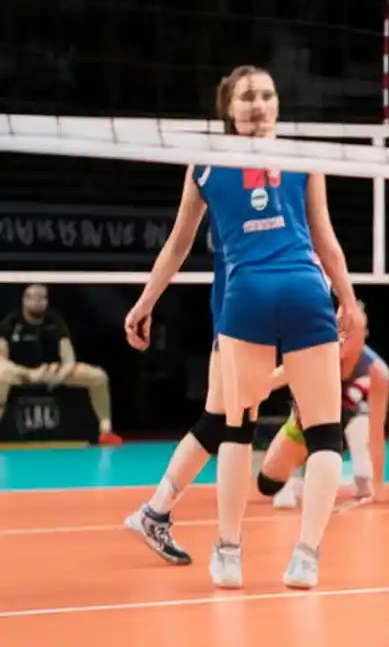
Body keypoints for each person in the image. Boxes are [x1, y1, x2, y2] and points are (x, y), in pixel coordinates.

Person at [124, 64, 359, 591]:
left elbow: (181, 245)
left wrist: (348, 298)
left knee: (232, 423)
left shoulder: (215, 164)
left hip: (252, 297)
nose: (258, 104)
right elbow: (324, 240)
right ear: (227, 109)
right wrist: (346, 297)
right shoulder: (263, 160)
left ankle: (225, 549)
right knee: (316, 430)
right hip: (282, 292)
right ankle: (303, 557)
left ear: (278, 104)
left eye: (267, 95)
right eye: (248, 96)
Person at [123, 219, 286, 566]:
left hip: (246, 298)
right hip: (243, 300)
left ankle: (156, 512)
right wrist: (145, 303)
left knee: (217, 420)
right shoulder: (219, 175)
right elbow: (178, 243)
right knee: (237, 422)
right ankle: (228, 549)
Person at [257, 342, 389, 509]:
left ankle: (362, 478)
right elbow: (287, 373)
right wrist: (256, 387)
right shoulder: (319, 353)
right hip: (310, 417)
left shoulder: (377, 373)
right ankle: (295, 482)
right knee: (268, 484)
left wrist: (378, 484)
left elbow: (376, 432)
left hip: (346, 418)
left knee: (361, 424)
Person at [0, 284, 119, 444]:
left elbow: (68, 357)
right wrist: (27, 373)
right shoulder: (11, 323)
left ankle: (106, 431)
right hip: (20, 373)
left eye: (41, 298)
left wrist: (59, 375)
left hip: (52, 371)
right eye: (32, 297)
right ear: (24, 300)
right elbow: (2, 358)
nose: (37, 301)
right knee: (1, 373)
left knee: (98, 376)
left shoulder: (55, 321)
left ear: (46, 301)